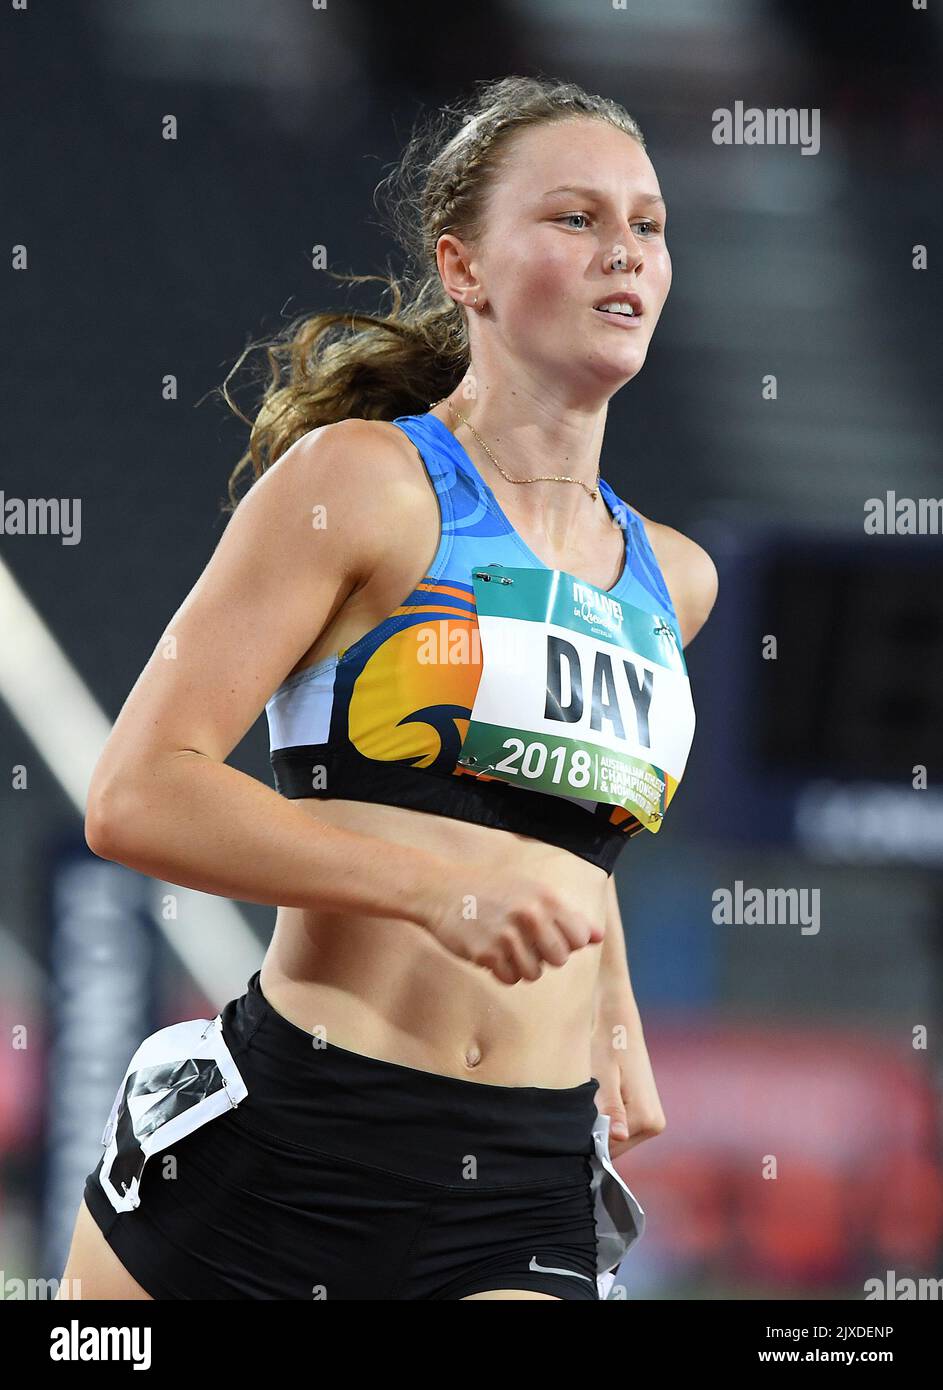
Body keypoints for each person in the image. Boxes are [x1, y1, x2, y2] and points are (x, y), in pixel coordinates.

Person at [58, 74, 717, 1301]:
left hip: (521, 1178)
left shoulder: (674, 580)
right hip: (290, 1142)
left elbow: (565, 823)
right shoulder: (361, 484)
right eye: (574, 218)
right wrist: (437, 893)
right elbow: (138, 792)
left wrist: (615, 1018)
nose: (622, 251)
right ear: (462, 268)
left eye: (648, 223)